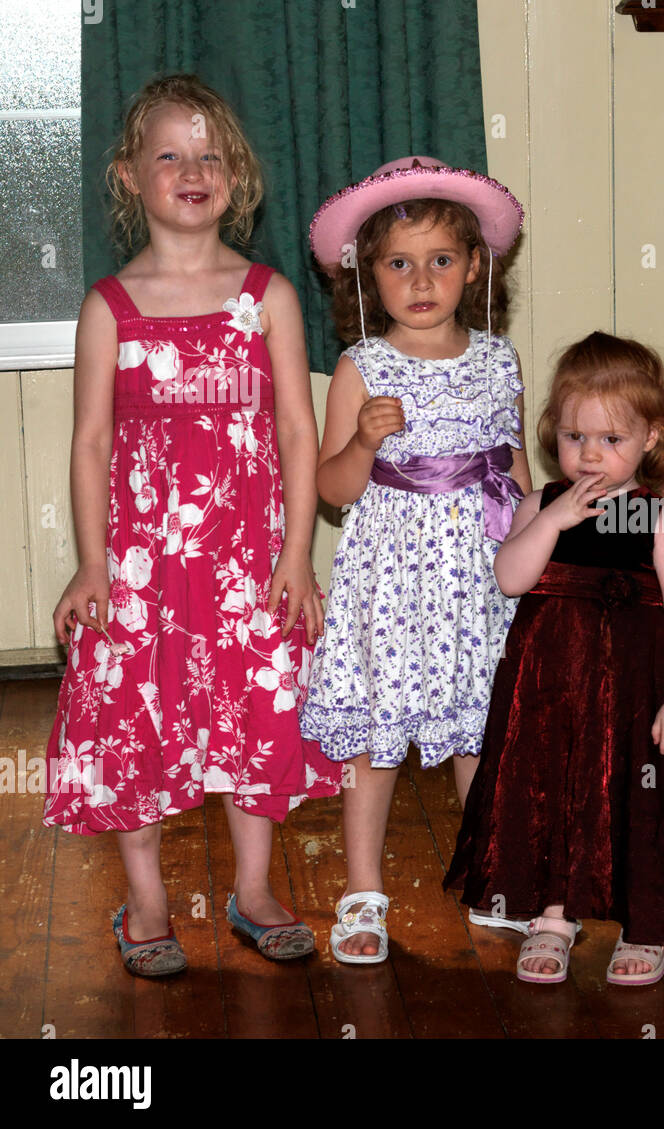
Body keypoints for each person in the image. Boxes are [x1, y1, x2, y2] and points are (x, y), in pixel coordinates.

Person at [44, 74, 339, 975]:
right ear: (131, 177)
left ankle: (251, 891)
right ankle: (145, 904)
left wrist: (297, 555)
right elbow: (92, 441)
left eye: (210, 154)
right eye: (168, 154)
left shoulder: (267, 297)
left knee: (255, 714)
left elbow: (297, 430)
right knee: (132, 720)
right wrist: (91, 566)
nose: (191, 168)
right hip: (137, 570)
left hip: (246, 561)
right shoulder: (110, 306)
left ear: (237, 174)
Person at [444, 332, 664, 986]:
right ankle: (553, 914)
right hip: (549, 695)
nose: (590, 453)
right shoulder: (540, 505)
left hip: (637, 693)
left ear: (651, 441)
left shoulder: (659, 517)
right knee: (552, 797)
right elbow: (509, 577)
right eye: (573, 437)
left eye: (611, 439)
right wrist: (551, 521)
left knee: (639, 802)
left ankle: (647, 921)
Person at [302, 156, 531, 964]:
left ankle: (485, 874)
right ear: (369, 275)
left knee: (479, 726)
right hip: (392, 574)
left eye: (442, 259)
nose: (423, 279)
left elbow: (517, 476)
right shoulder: (364, 368)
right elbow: (332, 487)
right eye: (400, 263)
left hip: (475, 573)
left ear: (474, 267)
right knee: (376, 734)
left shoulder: (498, 360)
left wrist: (533, 561)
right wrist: (364, 438)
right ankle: (363, 890)